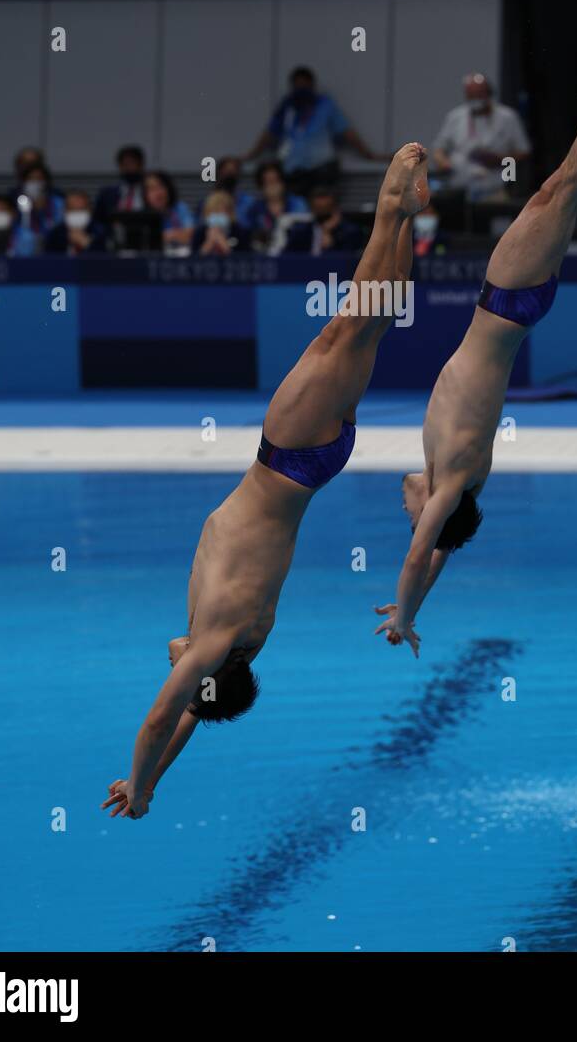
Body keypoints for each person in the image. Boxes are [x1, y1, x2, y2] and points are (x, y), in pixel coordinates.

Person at [101, 145, 428, 819]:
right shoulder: (218, 638)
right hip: (289, 455)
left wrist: (160, 776)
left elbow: (188, 715)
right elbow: (163, 717)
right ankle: (392, 206)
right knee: (348, 329)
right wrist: (141, 785)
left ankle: (407, 223)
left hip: (315, 464)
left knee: (373, 329)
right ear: (209, 674)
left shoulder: (241, 646)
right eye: (186, 672)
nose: (174, 660)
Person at [375, 19, 577, 656]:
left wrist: (416, 602)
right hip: (509, 298)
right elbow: (420, 558)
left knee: (566, 188)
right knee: (564, 183)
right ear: (434, 515)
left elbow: (433, 558)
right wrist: (404, 616)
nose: (409, 517)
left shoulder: (459, 480)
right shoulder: (454, 481)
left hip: (516, 305)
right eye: (417, 522)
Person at [244, 65, 385, 196]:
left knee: (322, 205)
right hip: (293, 171)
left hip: (321, 169)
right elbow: (269, 134)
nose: (301, 90)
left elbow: (348, 133)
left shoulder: (325, 104)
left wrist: (370, 155)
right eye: (298, 86)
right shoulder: (287, 106)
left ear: (312, 85)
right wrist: (249, 156)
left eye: (304, 85)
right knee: (295, 208)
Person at [432, 73, 532, 201]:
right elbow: (439, 148)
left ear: (489, 93)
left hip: (495, 188)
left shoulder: (508, 117)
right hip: (460, 187)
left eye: (479, 94)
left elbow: (523, 151)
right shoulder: (455, 117)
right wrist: (443, 162)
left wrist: (500, 160)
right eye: (471, 95)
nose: (475, 99)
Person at [283, 185, 364, 253]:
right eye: (318, 208)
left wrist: (330, 245)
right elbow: (285, 259)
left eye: (326, 208)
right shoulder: (300, 232)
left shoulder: (350, 232)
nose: (322, 213)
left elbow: (350, 263)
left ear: (335, 208)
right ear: (312, 209)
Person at [248, 159, 308, 251]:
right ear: (261, 186)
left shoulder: (298, 203)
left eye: (275, 180)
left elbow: (302, 229)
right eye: (267, 182)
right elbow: (248, 233)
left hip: (294, 252)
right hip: (264, 254)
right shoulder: (254, 208)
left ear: (283, 183)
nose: (272, 185)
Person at [94, 144, 147, 222]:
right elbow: (97, 220)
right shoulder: (107, 194)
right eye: (125, 164)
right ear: (120, 166)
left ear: (140, 165)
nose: (129, 168)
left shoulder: (149, 191)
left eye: (132, 163)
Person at [43, 190, 106, 255]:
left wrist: (87, 244)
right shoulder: (55, 234)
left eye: (81, 209)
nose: (77, 213)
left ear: (89, 210)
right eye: (72, 209)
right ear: (64, 211)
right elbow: (47, 260)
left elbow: (107, 260)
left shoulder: (100, 232)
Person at [143, 169, 194, 249]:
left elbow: (190, 235)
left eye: (160, 187)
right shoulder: (141, 213)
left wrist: (163, 236)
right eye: (152, 189)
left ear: (168, 189)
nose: (157, 193)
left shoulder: (180, 208)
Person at [192, 190, 251, 255]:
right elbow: (192, 258)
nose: (218, 215)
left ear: (230, 213)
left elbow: (246, 259)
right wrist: (209, 243)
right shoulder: (200, 232)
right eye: (215, 211)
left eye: (221, 211)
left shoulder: (239, 232)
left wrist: (223, 243)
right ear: (207, 213)